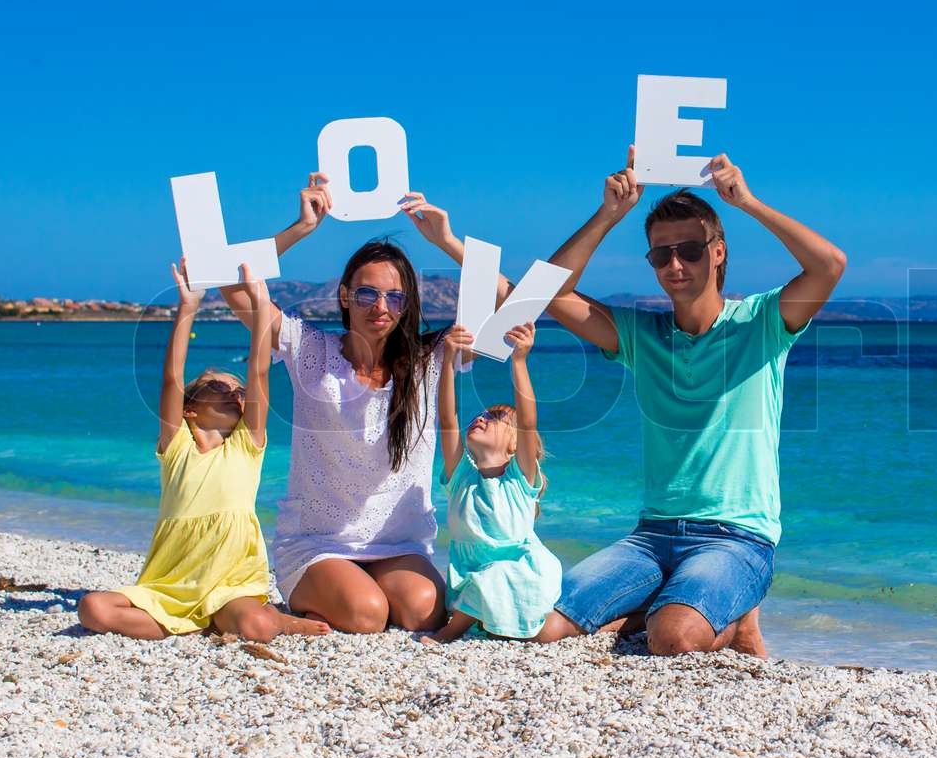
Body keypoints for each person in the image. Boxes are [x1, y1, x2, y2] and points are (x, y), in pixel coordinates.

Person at [533, 148, 845, 656]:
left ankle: (728, 613)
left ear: (717, 251)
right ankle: (684, 608)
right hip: (651, 537)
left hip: (736, 538)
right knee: (545, 624)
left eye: (691, 250)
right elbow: (550, 293)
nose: (675, 264)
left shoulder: (763, 323)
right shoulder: (642, 335)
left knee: (673, 638)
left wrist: (747, 203)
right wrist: (609, 215)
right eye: (661, 254)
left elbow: (830, 264)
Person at [218, 176, 508, 633]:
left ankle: (365, 587)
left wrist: (448, 241)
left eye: (395, 296)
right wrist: (300, 229)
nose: (381, 307)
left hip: (400, 543)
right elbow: (229, 285)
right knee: (366, 614)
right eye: (368, 293)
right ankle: (310, 596)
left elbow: (507, 299)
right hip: (318, 542)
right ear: (345, 296)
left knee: (423, 610)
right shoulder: (308, 350)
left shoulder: (431, 357)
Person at [78, 263, 328, 642]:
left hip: (232, 579)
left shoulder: (247, 445)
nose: (233, 392)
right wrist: (187, 305)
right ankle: (195, 621)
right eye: (218, 386)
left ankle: (278, 620)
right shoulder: (175, 445)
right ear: (189, 408)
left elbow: (259, 373)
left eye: (237, 390)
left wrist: (262, 311)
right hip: (172, 580)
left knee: (258, 628)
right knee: (92, 609)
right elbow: (171, 378)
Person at [423, 321, 560, 644]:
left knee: (497, 576)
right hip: (469, 576)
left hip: (519, 574)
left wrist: (519, 360)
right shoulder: (461, 478)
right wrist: (447, 362)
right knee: (481, 583)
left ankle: (450, 633)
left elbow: (528, 420)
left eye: (496, 418)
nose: (481, 417)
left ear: (514, 445)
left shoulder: (519, 479)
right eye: (481, 414)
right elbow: (447, 418)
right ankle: (478, 615)